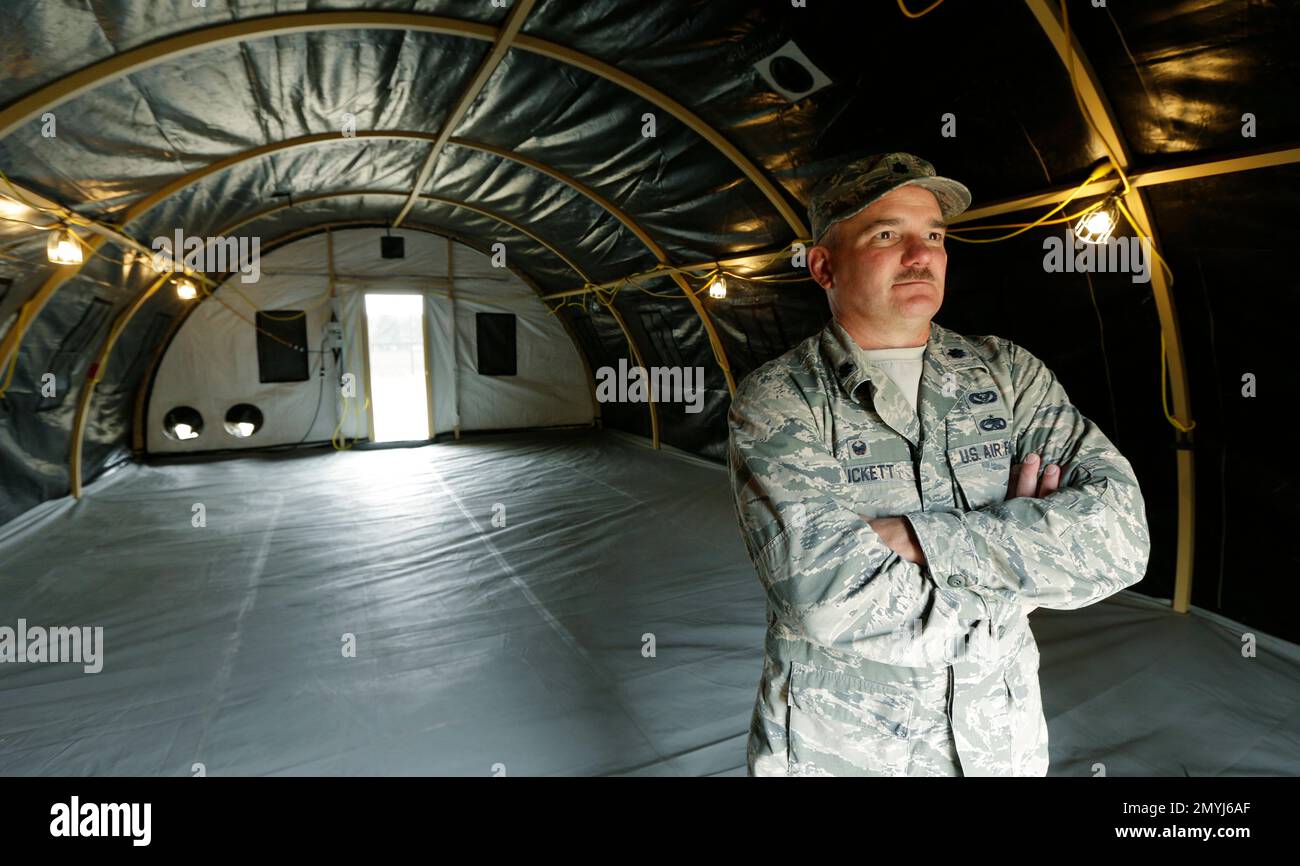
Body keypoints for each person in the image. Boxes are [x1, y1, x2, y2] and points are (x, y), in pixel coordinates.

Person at [726, 152, 1151, 776]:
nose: (920, 255)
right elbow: (824, 595)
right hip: (845, 750)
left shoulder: (1007, 373)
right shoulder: (781, 398)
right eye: (887, 235)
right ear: (823, 265)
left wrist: (918, 538)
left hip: (998, 742)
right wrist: (1020, 573)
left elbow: (1120, 539)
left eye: (934, 235)